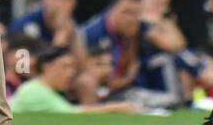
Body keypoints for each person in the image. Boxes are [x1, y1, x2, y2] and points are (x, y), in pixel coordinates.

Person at [10, 46, 139, 114]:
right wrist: (115, 108)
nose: (71, 73)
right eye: (65, 66)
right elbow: (72, 114)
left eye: (72, 67)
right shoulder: (34, 90)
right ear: (47, 66)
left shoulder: (45, 90)